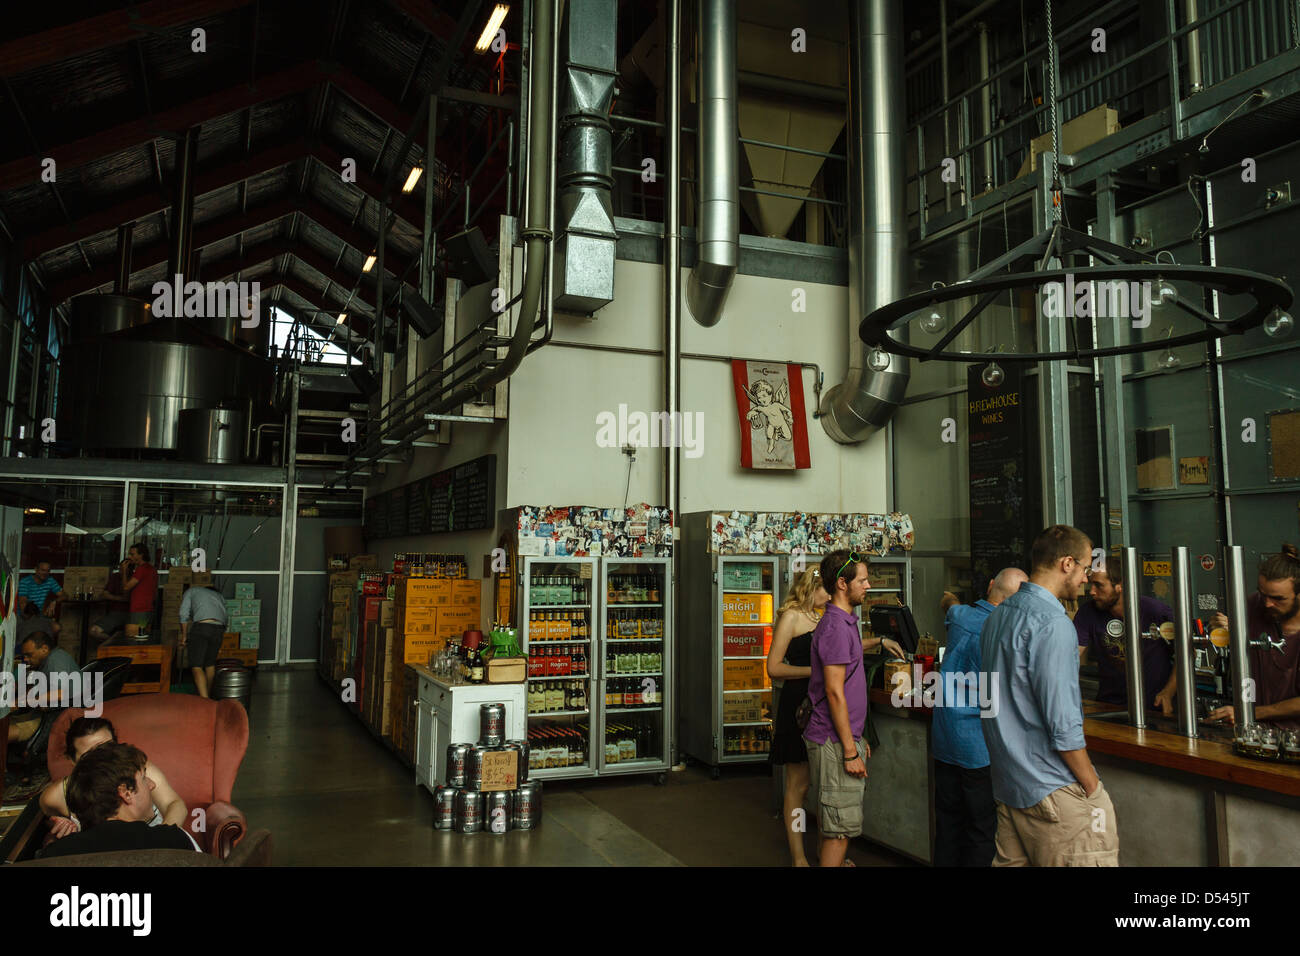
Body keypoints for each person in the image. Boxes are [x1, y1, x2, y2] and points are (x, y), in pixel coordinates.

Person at [978, 525, 1119, 866]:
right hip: (1054, 792)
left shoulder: (997, 617)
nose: (1086, 579)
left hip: (1010, 788)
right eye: (1085, 568)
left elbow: (988, 701)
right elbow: (1063, 726)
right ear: (1067, 564)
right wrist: (1093, 790)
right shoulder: (1053, 624)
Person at [932, 567, 1028, 867]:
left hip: (945, 739)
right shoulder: (1006, 631)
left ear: (989, 586)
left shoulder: (960, 618)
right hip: (978, 746)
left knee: (947, 824)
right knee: (981, 830)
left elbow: (951, 607)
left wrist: (950, 599)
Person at [802, 549, 872, 868]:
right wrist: (848, 750)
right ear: (843, 584)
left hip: (840, 737)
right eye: (863, 580)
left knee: (833, 823)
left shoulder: (845, 622)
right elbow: (833, 691)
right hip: (833, 741)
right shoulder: (835, 627)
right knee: (838, 831)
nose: (868, 586)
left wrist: (857, 738)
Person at [38, 743, 201, 858]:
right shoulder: (176, 841)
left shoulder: (54, 854)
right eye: (144, 779)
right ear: (126, 793)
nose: (152, 785)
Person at [39, 716, 188, 839]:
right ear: (73, 761)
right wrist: (59, 825)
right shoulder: (57, 796)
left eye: (109, 747)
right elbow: (49, 824)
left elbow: (175, 804)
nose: (104, 758)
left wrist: (160, 839)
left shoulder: (138, 769)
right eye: (91, 755)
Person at [1208, 543, 1300, 731]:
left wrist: (1247, 711)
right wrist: (1227, 631)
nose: (1267, 604)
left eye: (1278, 599)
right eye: (1262, 593)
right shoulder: (1253, 605)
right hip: (1255, 732)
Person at [1074, 556, 1176, 714]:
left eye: (1099, 585)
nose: (1092, 592)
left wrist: (1168, 692)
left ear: (1120, 586)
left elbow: (1187, 654)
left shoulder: (1156, 612)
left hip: (1154, 707)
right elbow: (1072, 656)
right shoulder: (1088, 612)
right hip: (1109, 706)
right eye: (1091, 584)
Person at [6, 630, 80, 743]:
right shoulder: (43, 664)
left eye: (29, 655)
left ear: (44, 649)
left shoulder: (56, 659)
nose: (25, 659)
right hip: (41, 715)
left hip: (53, 719)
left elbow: (62, 692)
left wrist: (21, 702)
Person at [89, 543, 157, 643]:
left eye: (132, 554)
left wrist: (124, 571)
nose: (130, 557)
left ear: (141, 555)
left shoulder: (141, 569)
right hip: (147, 610)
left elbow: (126, 587)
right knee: (142, 638)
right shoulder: (151, 569)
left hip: (138, 610)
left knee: (133, 640)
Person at [179, 582, 228, 698]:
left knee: (196, 666)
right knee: (210, 664)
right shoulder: (219, 596)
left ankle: (204, 700)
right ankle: (208, 696)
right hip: (219, 628)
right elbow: (226, 617)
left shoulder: (191, 591)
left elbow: (183, 614)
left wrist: (184, 636)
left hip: (202, 627)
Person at [17, 560, 64, 637]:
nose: (45, 573)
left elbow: (64, 595)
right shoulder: (25, 582)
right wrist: (34, 622)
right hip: (23, 615)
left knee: (57, 627)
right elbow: (23, 604)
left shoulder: (50, 581)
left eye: (47, 571)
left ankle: (41, 644)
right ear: (36, 570)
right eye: (42, 570)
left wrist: (54, 601)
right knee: (29, 630)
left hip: (39, 616)